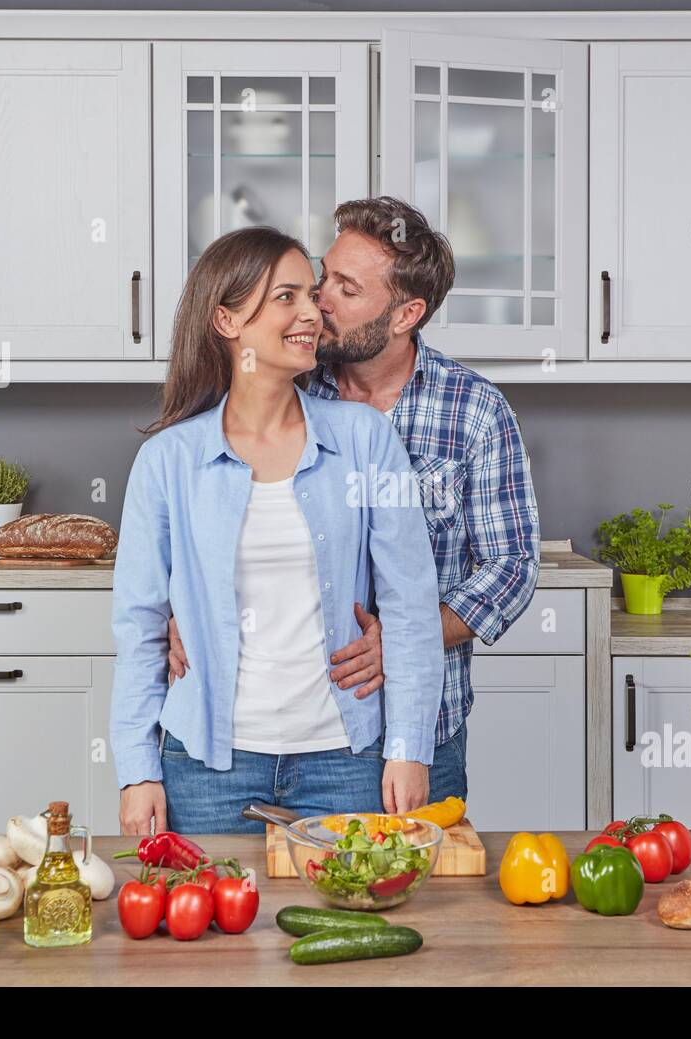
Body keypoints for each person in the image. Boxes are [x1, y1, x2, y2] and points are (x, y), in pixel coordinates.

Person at [168, 198, 540, 803]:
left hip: (425, 726)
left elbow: (513, 566)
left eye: (346, 288)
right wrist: (174, 613)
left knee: (397, 891)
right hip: (284, 731)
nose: (319, 302)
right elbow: (188, 517)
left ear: (405, 313)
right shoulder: (281, 374)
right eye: (322, 278)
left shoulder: (474, 410)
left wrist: (406, 636)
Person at [112, 226, 444, 837]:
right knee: (216, 930)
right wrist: (137, 772)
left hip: (344, 760)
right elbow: (138, 624)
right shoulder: (169, 461)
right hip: (208, 766)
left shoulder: (364, 439)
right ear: (227, 321)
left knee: (351, 926)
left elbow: (411, 603)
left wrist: (409, 746)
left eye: (312, 294)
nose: (313, 312)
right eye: (285, 297)